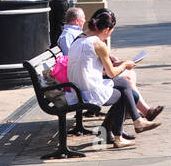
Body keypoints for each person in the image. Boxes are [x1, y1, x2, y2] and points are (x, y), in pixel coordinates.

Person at [66, 11, 158, 150]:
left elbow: (90, 65)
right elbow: (112, 73)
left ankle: (131, 124)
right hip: (88, 93)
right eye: (110, 32)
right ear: (107, 29)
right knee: (125, 94)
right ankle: (122, 134)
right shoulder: (98, 44)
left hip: (76, 89)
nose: (109, 35)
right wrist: (125, 65)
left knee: (126, 88)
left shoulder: (79, 39)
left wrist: (116, 63)